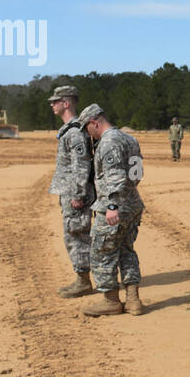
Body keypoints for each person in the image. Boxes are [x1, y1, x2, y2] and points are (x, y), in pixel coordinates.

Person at [78, 104, 146, 317]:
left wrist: (112, 206)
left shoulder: (108, 143)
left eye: (86, 128)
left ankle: (111, 301)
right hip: (133, 204)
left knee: (101, 251)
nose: (87, 134)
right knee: (126, 249)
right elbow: (137, 173)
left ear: (93, 123)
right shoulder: (129, 139)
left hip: (114, 207)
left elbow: (114, 176)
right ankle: (133, 300)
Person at [47, 85, 95, 298]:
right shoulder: (70, 130)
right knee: (73, 234)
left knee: (77, 235)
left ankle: (84, 281)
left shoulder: (74, 132)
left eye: (55, 101)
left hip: (75, 194)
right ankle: (82, 277)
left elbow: (81, 165)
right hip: (69, 191)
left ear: (66, 103)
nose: (52, 104)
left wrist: (78, 194)